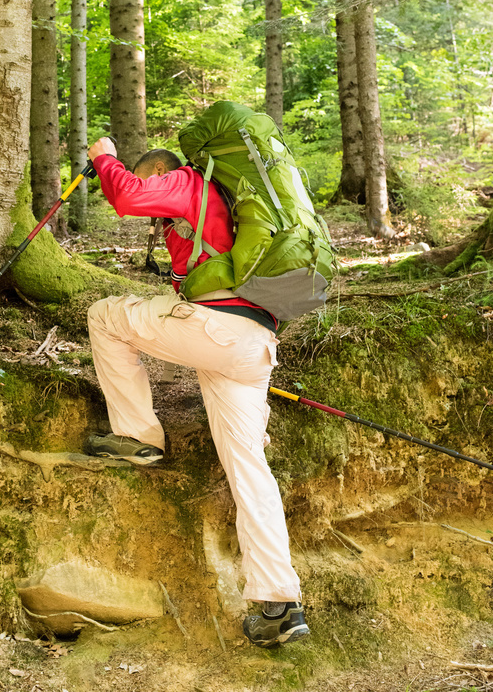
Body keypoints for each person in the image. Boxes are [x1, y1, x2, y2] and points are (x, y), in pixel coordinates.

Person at [83, 136, 309, 649]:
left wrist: (104, 155)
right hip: (255, 345)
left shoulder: (187, 184)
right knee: (249, 466)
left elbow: (126, 197)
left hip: (219, 331)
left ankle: (136, 436)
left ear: (165, 173)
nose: (155, 217)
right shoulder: (226, 208)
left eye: (155, 186)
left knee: (104, 315)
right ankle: (278, 603)